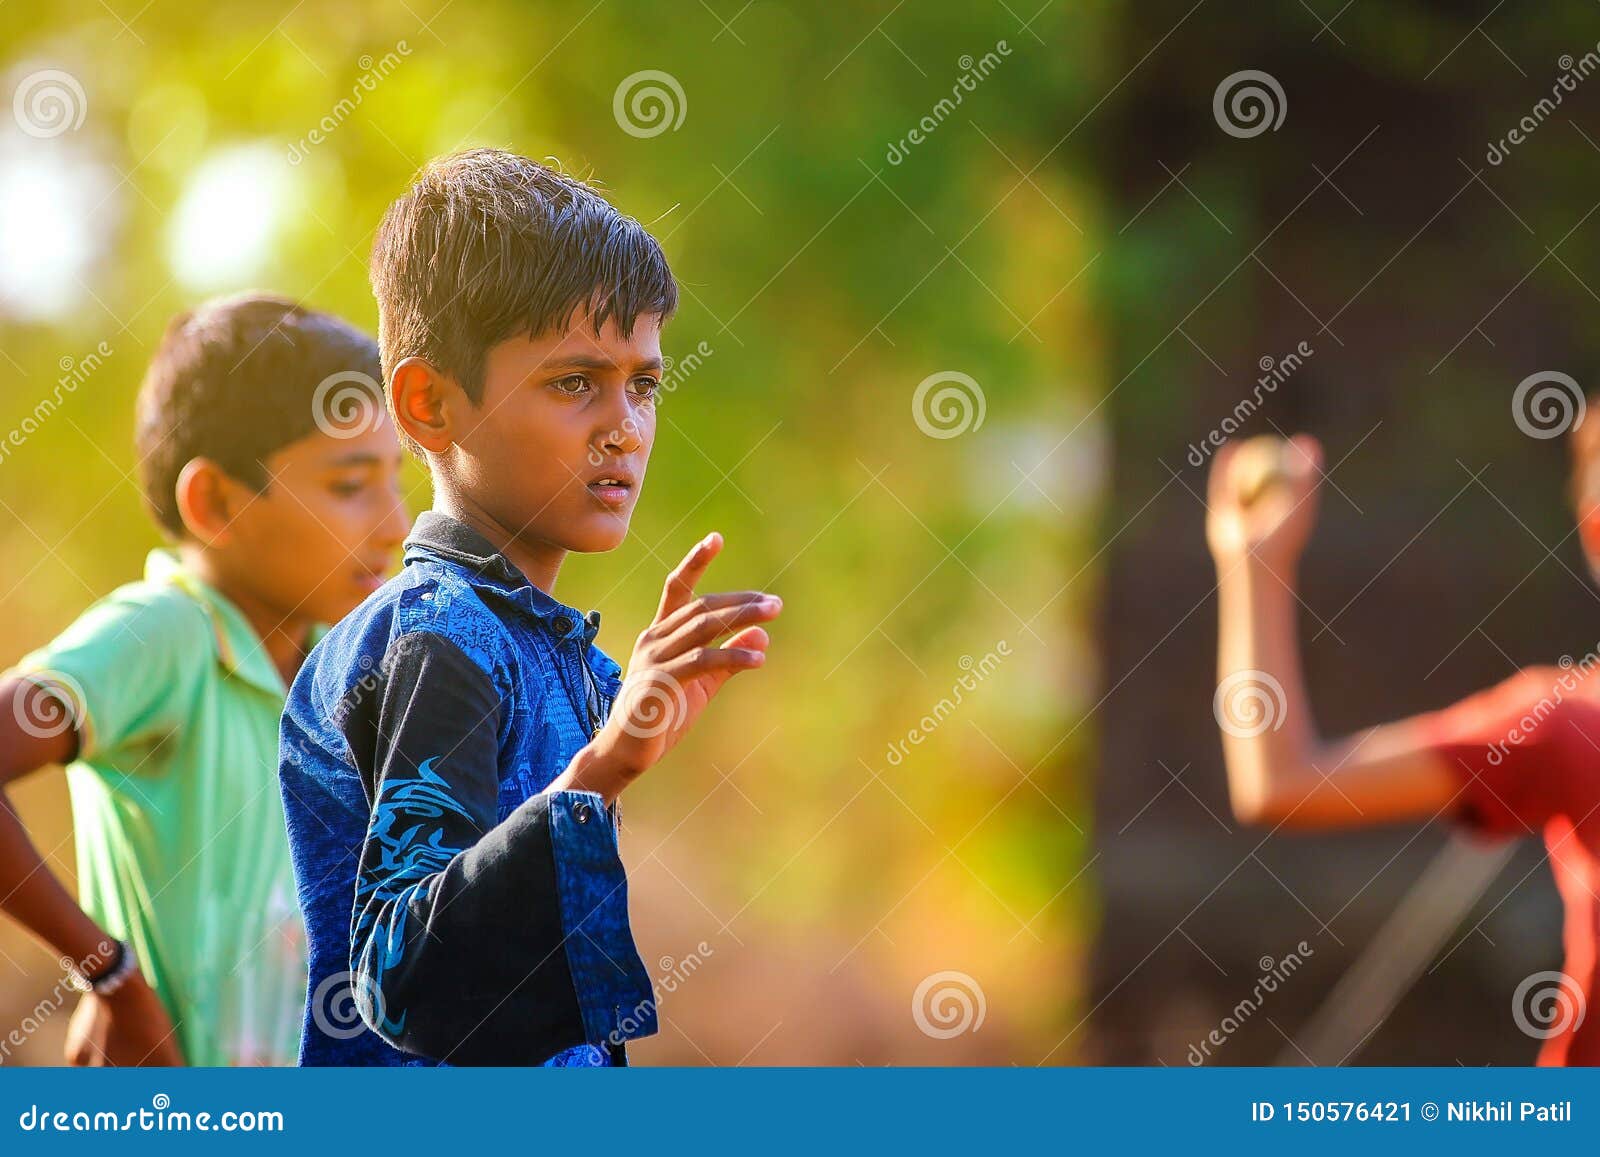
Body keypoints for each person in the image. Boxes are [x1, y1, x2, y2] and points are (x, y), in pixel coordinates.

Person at [279, 149, 783, 1067]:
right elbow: (401, 981)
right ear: (429, 405)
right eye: (573, 382)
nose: (624, 426)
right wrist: (603, 767)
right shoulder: (439, 636)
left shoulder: (546, 647)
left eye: (643, 383)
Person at [0, 294, 408, 1065]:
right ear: (215, 501)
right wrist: (109, 973)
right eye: (351, 486)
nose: (394, 524)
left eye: (396, 481)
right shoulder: (169, 635)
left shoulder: (346, 670)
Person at [1207, 425, 1600, 1065]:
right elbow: (1280, 783)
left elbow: (1279, 781)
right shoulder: (1566, 724)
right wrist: (1254, 567)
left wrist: (1255, 567)